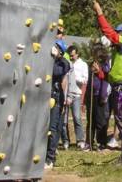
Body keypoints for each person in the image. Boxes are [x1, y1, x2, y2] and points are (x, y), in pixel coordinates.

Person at [92, 0, 122, 165]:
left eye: (116, 35)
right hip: (120, 86)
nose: (111, 41)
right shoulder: (120, 54)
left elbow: (108, 31)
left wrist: (99, 12)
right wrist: (101, 73)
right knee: (121, 119)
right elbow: (112, 76)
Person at [45, 40, 71, 169]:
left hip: (56, 98)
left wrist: (56, 57)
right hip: (46, 97)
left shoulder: (62, 63)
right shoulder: (49, 60)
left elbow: (59, 71)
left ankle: (50, 158)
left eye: (56, 48)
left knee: (53, 128)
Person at [86, 44, 111, 150]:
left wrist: (98, 71)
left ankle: (102, 142)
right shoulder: (92, 63)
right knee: (90, 119)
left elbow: (105, 77)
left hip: (101, 95)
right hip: (91, 94)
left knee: (101, 120)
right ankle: (89, 142)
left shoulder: (105, 63)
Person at [64, 45, 89, 149]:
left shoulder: (83, 65)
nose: (71, 57)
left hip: (76, 94)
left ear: (77, 54)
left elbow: (85, 79)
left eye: (72, 55)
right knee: (64, 120)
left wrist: (75, 77)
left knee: (77, 118)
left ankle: (80, 140)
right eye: (69, 55)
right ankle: (66, 140)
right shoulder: (67, 63)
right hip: (66, 94)